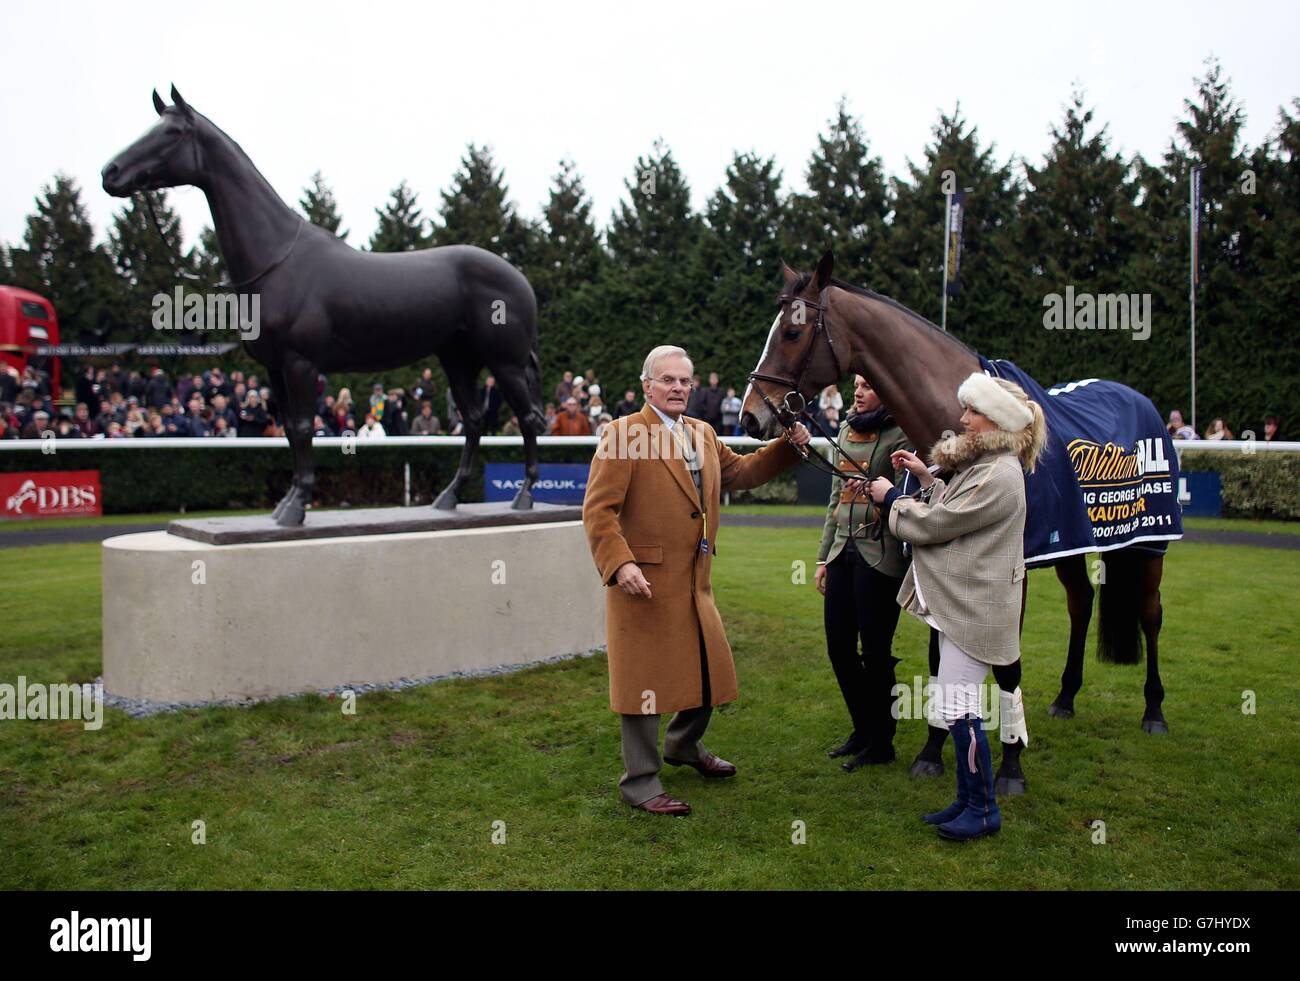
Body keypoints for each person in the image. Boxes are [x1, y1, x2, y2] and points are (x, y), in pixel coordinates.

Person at [583, 344, 810, 816]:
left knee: (709, 667)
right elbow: (598, 511)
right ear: (647, 385)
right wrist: (620, 564)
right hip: (641, 582)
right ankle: (641, 782)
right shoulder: (622, 434)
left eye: (685, 381)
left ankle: (684, 746)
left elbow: (743, 472)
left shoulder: (702, 433)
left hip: (694, 582)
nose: (678, 388)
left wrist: (788, 448)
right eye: (668, 380)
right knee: (642, 685)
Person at [868, 372, 1045, 841]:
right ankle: (969, 800)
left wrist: (893, 501)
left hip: (975, 609)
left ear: (998, 420)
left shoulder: (1000, 472)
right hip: (966, 605)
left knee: (961, 708)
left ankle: (983, 808)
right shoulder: (991, 465)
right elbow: (955, 507)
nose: (962, 419)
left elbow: (939, 524)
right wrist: (927, 479)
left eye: (973, 412)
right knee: (953, 704)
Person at [815, 376, 913, 770]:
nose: (858, 391)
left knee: (875, 654)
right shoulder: (844, 427)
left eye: (869, 386)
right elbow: (834, 500)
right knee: (839, 648)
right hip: (843, 552)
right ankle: (862, 728)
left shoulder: (901, 434)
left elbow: (906, 498)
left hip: (880, 557)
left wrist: (876, 492)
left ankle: (882, 741)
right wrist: (823, 558)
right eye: (856, 385)